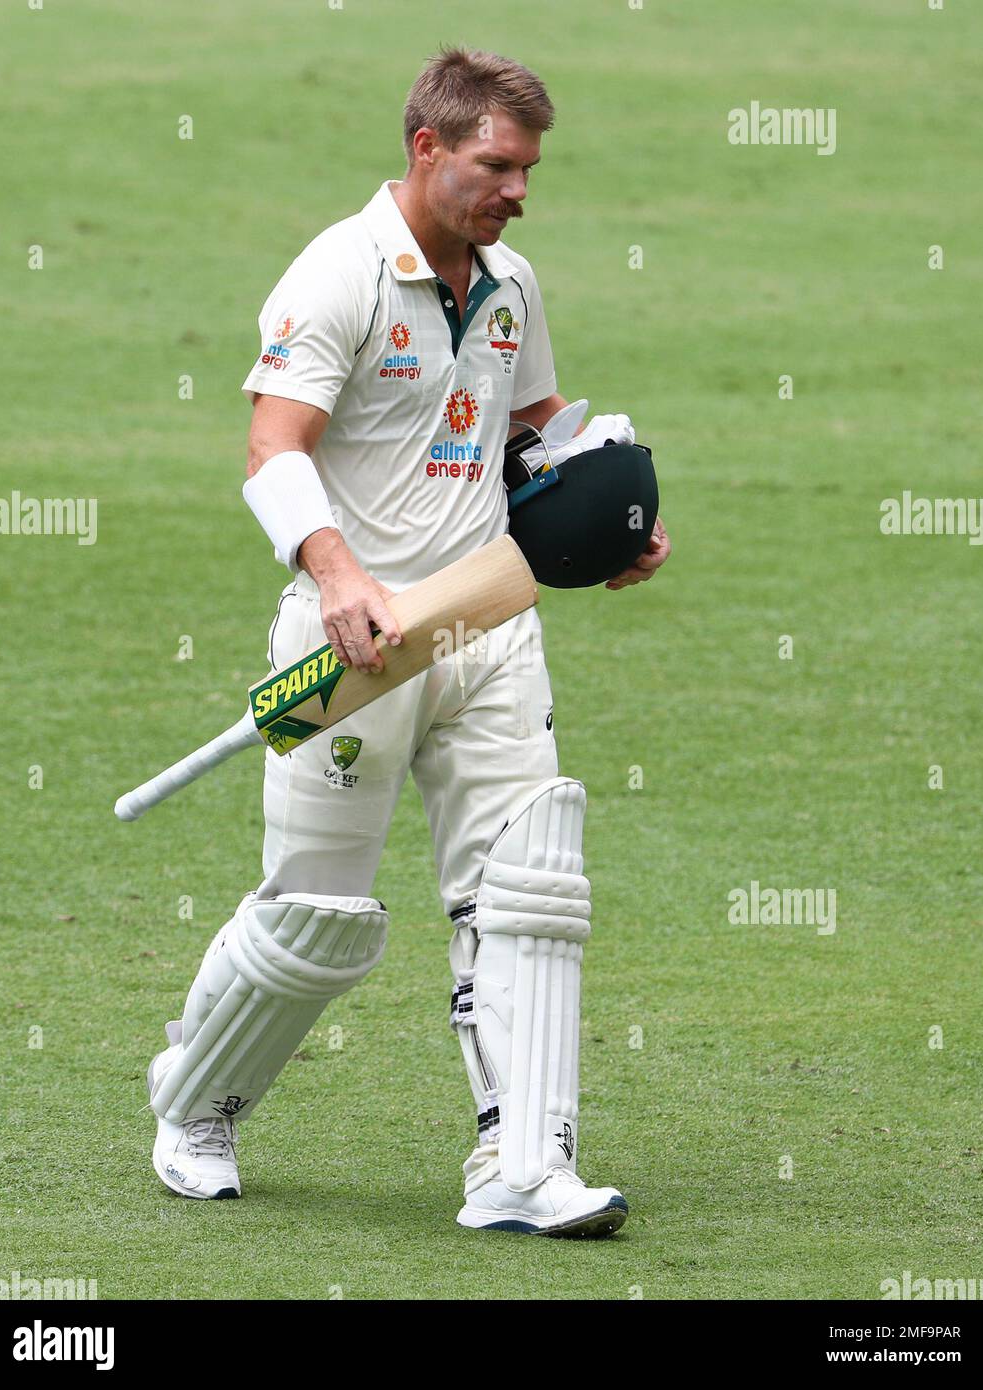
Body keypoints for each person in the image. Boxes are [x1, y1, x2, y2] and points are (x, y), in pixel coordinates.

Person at [147, 46, 670, 1235]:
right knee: (317, 917)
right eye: (497, 164)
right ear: (426, 148)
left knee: (524, 892)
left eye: (529, 170)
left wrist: (609, 520)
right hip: (357, 644)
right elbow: (272, 449)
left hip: (490, 622)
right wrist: (333, 576)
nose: (518, 190)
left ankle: (522, 1167)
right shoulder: (336, 275)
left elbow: (529, 428)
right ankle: (194, 1101)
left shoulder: (512, 282)